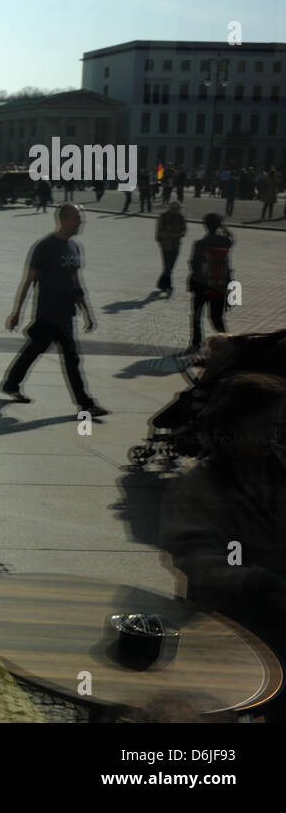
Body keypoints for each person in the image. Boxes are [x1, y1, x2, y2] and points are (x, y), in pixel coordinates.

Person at [159, 372, 286, 711]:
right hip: (231, 624)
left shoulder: (279, 470)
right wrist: (259, 579)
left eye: (277, 425)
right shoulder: (198, 487)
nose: (272, 435)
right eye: (263, 426)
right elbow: (197, 558)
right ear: (232, 426)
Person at [0, 204, 108, 418]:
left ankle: (11, 384)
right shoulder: (45, 246)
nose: (81, 221)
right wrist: (17, 312)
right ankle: (86, 404)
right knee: (71, 357)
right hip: (48, 313)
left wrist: (86, 310)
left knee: (35, 349)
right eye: (78, 217)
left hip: (66, 312)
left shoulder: (75, 247)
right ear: (64, 219)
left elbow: (76, 280)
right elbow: (28, 281)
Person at [187, 212, 234, 352]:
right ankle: (228, 342)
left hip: (201, 285)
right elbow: (232, 238)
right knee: (217, 318)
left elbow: (193, 264)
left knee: (197, 315)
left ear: (206, 226)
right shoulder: (225, 242)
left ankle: (196, 342)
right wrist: (223, 227)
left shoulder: (200, 244)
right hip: (219, 285)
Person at [155, 201, 186, 296]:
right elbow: (159, 231)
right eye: (174, 209)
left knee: (170, 267)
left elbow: (184, 230)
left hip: (176, 245)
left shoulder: (180, 217)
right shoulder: (163, 216)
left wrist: (179, 234)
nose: (176, 211)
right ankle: (168, 286)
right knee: (168, 266)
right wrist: (170, 235)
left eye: (177, 209)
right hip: (166, 245)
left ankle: (161, 284)